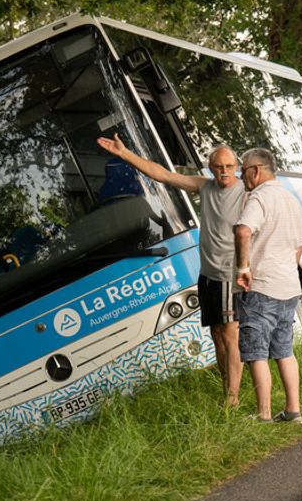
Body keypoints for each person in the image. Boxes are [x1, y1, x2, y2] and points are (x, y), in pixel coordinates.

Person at [97, 133, 246, 406]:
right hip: (208, 273)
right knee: (215, 334)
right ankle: (228, 389)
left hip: (229, 273)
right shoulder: (205, 187)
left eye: (228, 167)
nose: (223, 172)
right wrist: (125, 154)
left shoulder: (245, 192)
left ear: (235, 166)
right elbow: (163, 175)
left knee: (230, 333)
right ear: (210, 168)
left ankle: (232, 398)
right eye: (218, 167)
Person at [233, 148, 302, 423]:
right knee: (284, 351)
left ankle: (263, 415)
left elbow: (242, 230)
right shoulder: (290, 199)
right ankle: (293, 411)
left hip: (262, 287)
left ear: (255, 171)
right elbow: (299, 246)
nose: (241, 176)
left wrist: (244, 268)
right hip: (288, 287)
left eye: (243, 170)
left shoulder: (259, 197)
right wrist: (286, 269)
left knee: (256, 353)